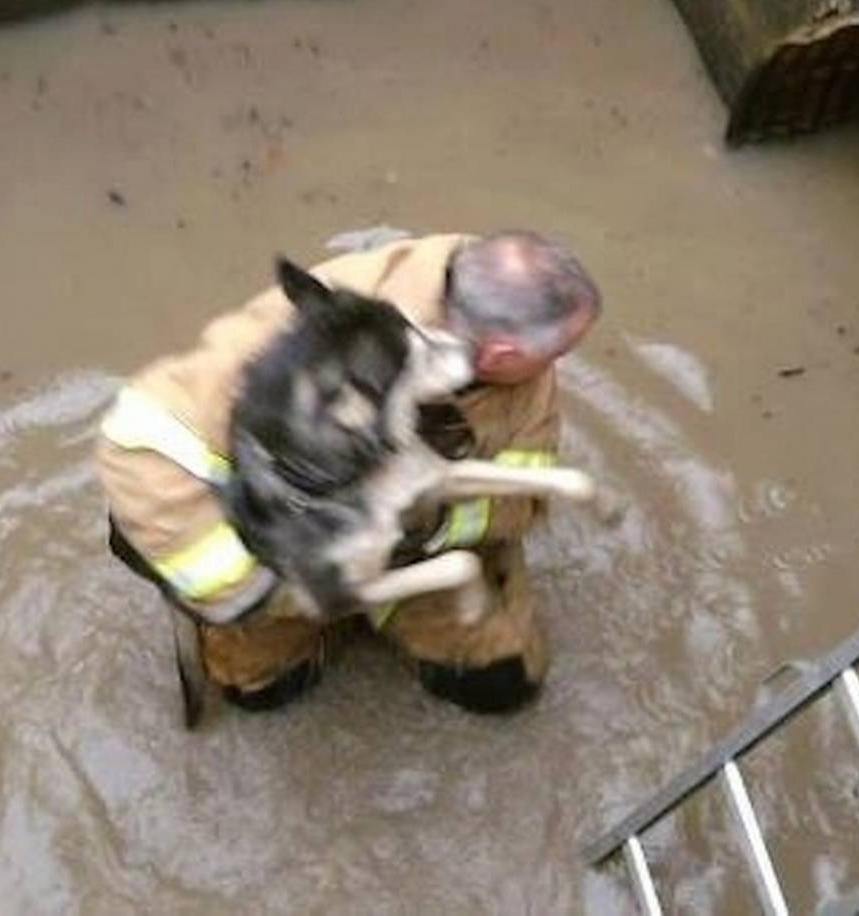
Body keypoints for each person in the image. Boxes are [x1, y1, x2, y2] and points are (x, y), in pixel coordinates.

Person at [96, 231, 601, 717]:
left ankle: (391, 608)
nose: (556, 367)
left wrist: (424, 529)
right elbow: (140, 441)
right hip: (284, 555)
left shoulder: (514, 316)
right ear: (503, 356)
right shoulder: (300, 336)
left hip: (428, 546)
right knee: (264, 695)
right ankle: (318, 625)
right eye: (556, 354)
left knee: (501, 685)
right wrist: (260, 592)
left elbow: (523, 487)